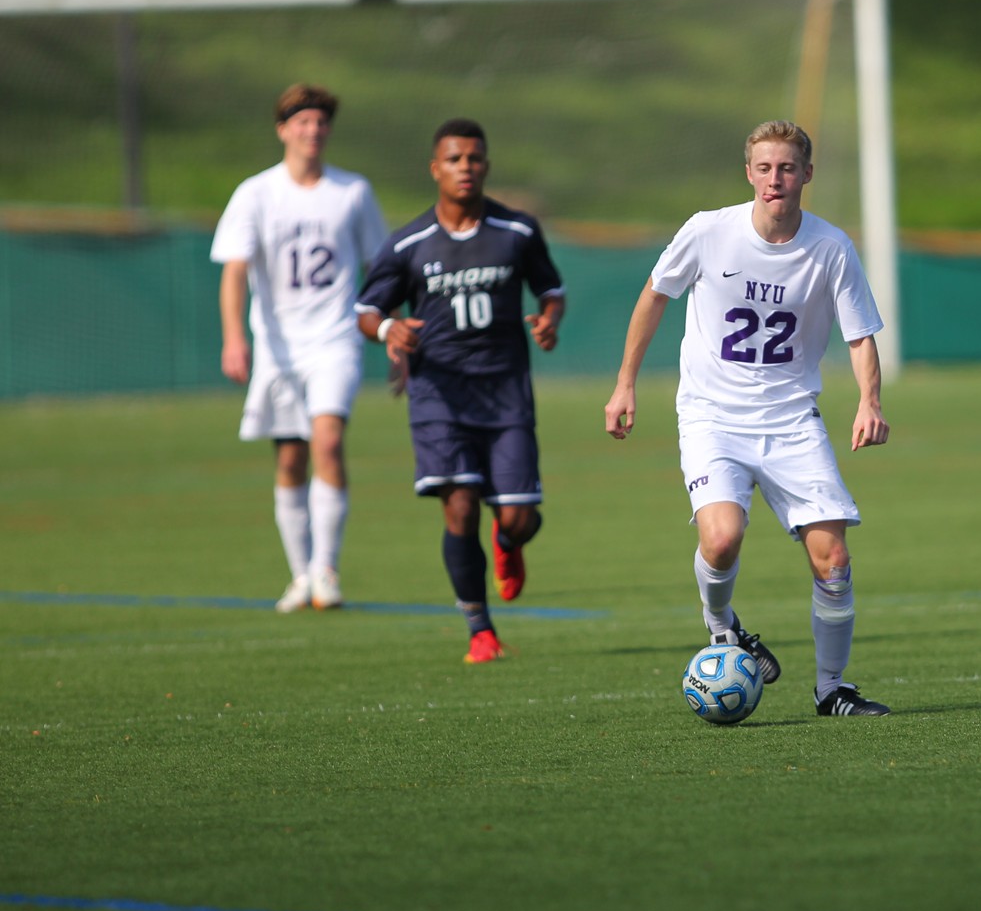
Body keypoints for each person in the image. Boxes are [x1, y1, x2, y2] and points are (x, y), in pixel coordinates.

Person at [604, 120, 893, 716]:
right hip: (712, 417)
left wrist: (870, 400)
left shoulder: (831, 247)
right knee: (723, 537)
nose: (775, 180)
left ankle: (832, 688)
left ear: (807, 174)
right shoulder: (709, 231)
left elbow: (860, 335)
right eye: (764, 168)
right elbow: (655, 295)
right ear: (749, 173)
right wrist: (625, 383)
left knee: (833, 559)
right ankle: (722, 627)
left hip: (792, 422)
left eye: (787, 168)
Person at [354, 118, 565, 664]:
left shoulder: (516, 231)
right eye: (454, 159)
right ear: (435, 168)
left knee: (518, 518)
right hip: (438, 398)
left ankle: (509, 542)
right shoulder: (408, 242)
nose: (464, 167)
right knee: (460, 508)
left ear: (486, 166)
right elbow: (366, 310)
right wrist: (387, 330)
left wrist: (547, 320)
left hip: (506, 395)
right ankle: (480, 629)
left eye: (474, 158)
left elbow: (551, 290)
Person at [212, 83, 388, 613]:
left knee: (327, 442)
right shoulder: (256, 193)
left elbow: (380, 268)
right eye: (302, 122)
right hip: (278, 346)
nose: (313, 131)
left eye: (320, 122)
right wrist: (235, 338)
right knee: (290, 456)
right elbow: (235, 270)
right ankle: (299, 574)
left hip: (334, 338)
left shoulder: (352, 191)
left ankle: (326, 571)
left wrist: (389, 327)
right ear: (283, 129)